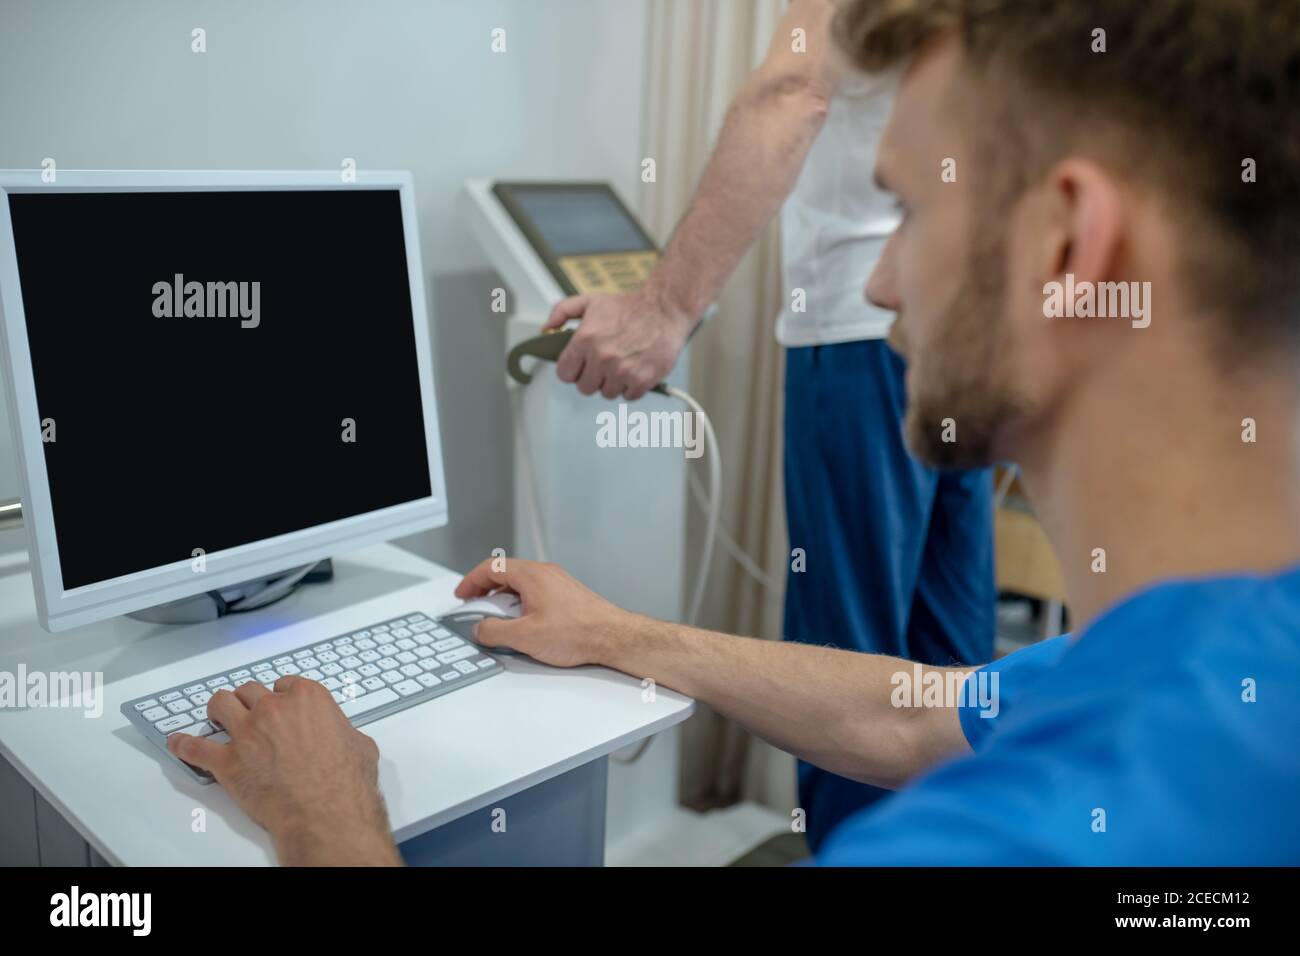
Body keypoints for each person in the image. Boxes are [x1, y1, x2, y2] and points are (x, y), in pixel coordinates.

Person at [169, 0, 1300, 864]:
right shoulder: (1212, 650)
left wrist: (326, 817)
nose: (890, 280)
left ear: (1066, 246)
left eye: (907, 210)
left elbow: (791, 87)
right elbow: (916, 714)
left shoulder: (1005, 837)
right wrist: (626, 633)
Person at [542, 0, 994, 849]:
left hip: (866, 329)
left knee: (851, 665)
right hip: (965, 318)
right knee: (955, 671)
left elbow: (793, 86)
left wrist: (665, 306)